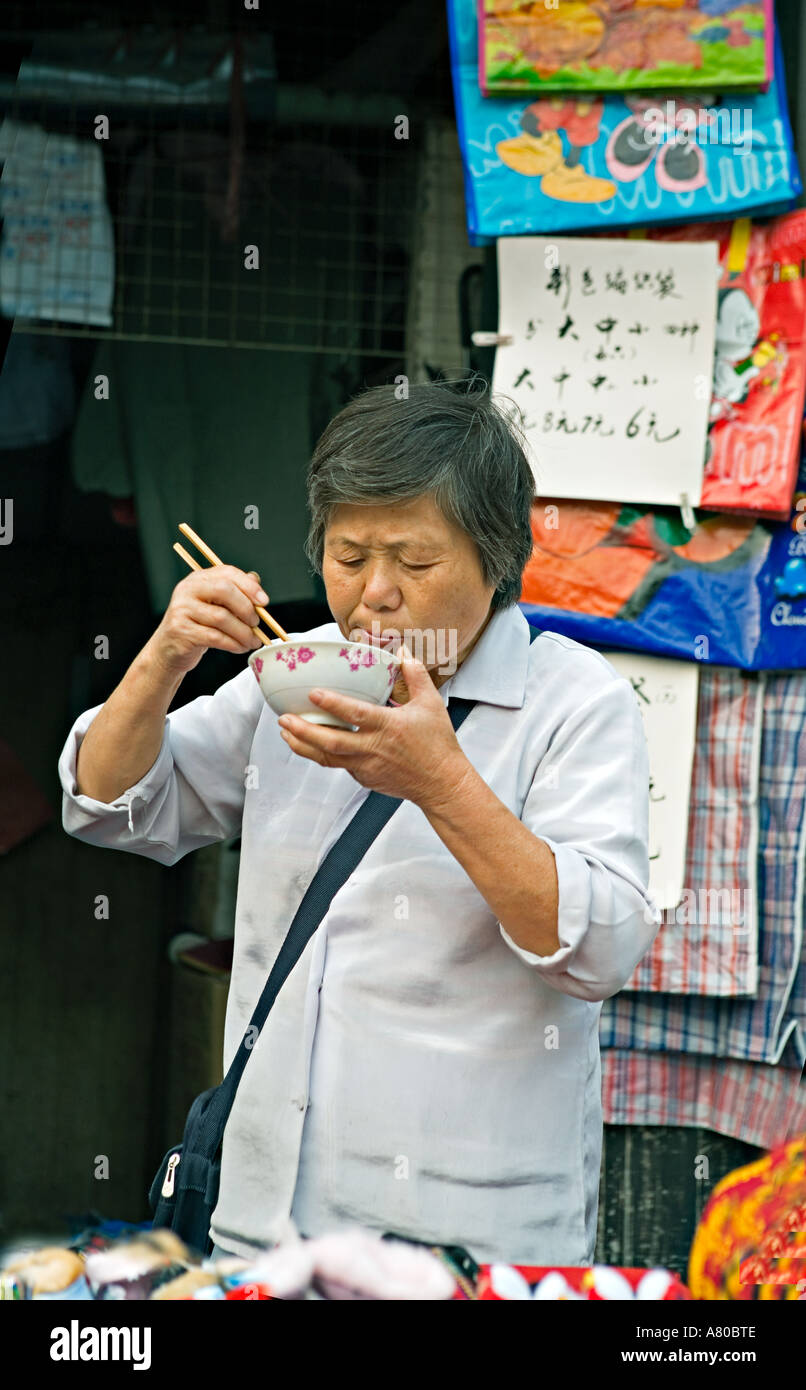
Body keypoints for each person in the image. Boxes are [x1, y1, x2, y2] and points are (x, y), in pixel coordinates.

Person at [58, 379, 660, 1266]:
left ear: (493, 560)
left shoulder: (574, 703)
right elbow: (109, 807)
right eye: (347, 558)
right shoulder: (296, 679)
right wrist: (164, 655)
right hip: (259, 1229)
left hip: (464, 1249)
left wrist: (441, 783)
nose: (374, 595)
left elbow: (600, 949)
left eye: (413, 564)